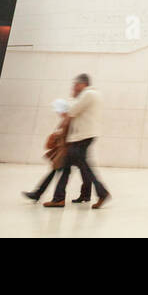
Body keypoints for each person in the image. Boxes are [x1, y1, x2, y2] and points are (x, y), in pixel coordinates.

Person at [44, 73, 110, 209]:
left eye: (76, 85)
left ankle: (101, 192)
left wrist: (72, 99)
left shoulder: (88, 94)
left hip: (82, 136)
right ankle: (59, 198)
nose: (74, 87)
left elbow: (73, 110)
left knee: (83, 167)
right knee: (67, 167)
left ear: (82, 84)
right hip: (84, 136)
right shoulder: (94, 94)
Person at [22, 110, 69, 202]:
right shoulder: (66, 120)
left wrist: (58, 135)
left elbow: (66, 134)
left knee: (61, 173)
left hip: (67, 152)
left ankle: (47, 196)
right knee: (56, 173)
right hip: (66, 152)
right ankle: (39, 194)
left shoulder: (69, 120)